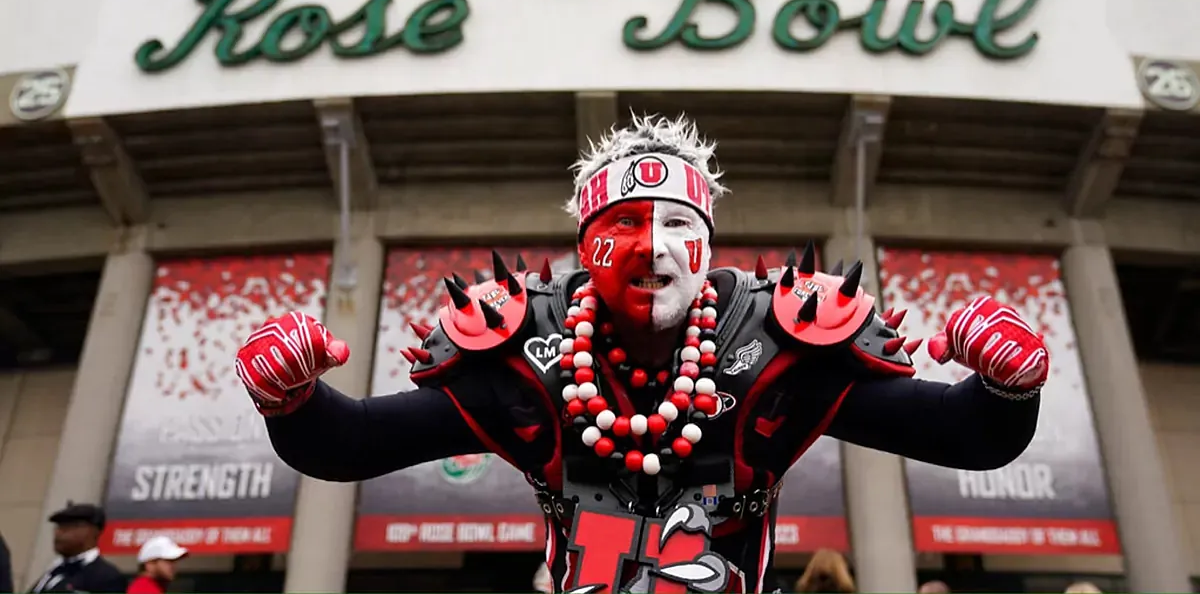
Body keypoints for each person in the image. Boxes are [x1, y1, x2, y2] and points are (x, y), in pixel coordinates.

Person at [236, 114, 1050, 593]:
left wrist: (1005, 387)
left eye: (676, 225)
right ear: (587, 247)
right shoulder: (527, 347)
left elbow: (963, 436)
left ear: (707, 243)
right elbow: (351, 445)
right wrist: (293, 398)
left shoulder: (780, 339)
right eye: (623, 225)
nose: (651, 245)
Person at [28, 503, 125, 593]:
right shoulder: (53, 570)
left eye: (68, 527)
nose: (59, 533)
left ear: (93, 531)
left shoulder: (106, 577)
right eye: (58, 527)